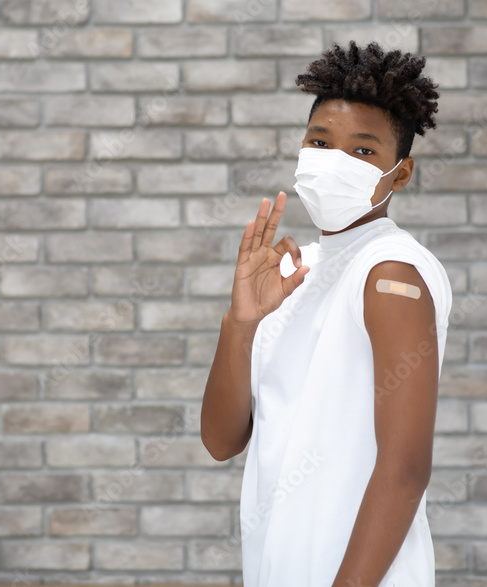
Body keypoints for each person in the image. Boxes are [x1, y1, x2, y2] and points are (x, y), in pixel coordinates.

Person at [200, 40, 451, 587]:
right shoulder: (296, 273)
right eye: (320, 141)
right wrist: (241, 324)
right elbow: (222, 441)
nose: (335, 160)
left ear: (399, 174)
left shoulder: (390, 274)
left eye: (363, 152)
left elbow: (405, 470)